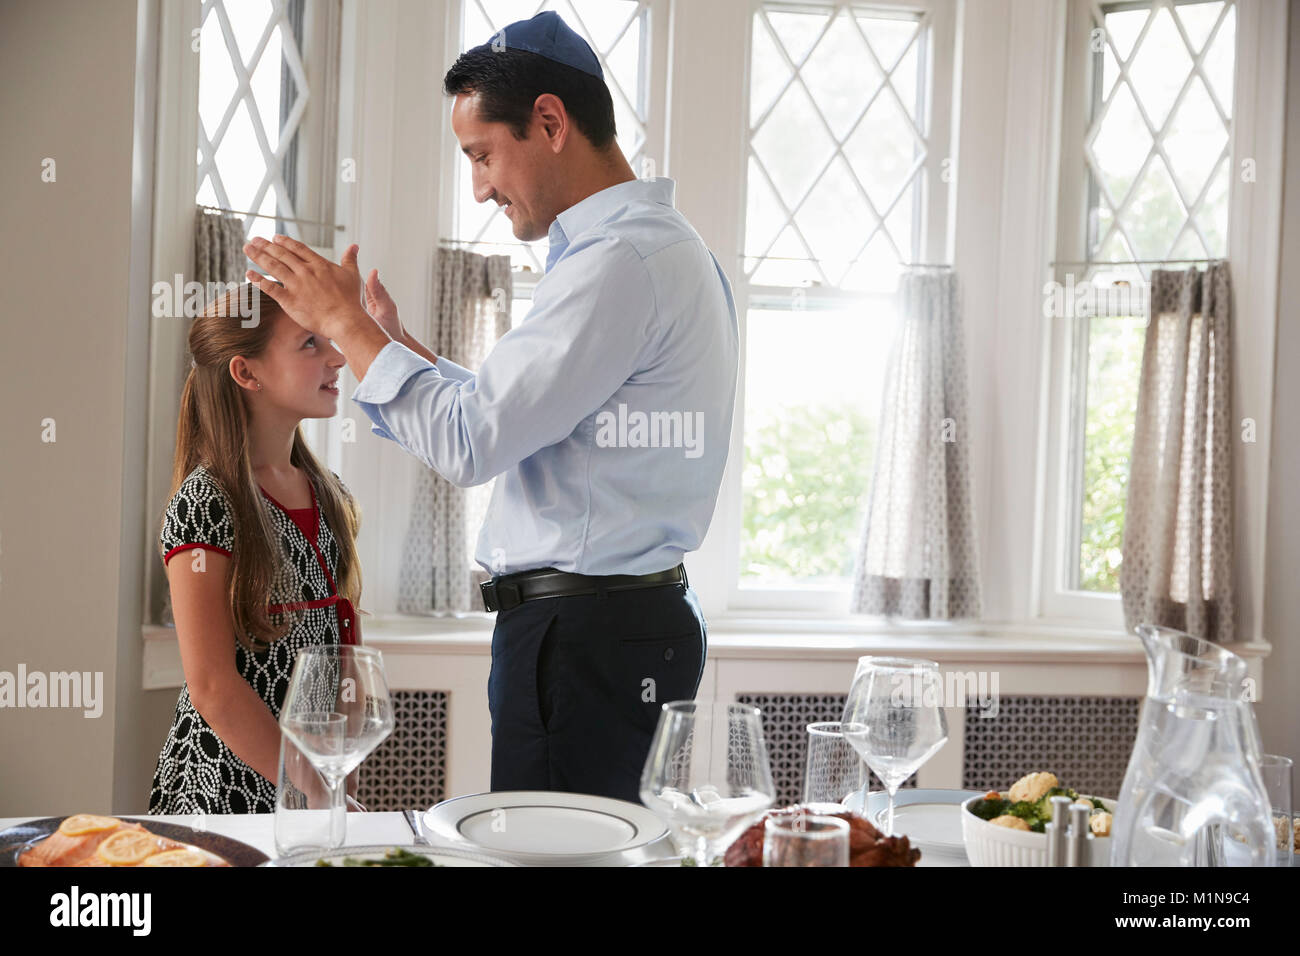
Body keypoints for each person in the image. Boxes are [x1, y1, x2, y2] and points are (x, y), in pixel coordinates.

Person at [240, 11, 739, 804]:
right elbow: (526, 417)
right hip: (619, 628)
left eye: (481, 155)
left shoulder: (616, 264)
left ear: (548, 121)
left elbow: (472, 442)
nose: (478, 188)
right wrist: (389, 347)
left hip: (581, 639)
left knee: (556, 860)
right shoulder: (661, 247)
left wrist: (343, 325)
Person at [148, 284, 368, 814]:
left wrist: (340, 775)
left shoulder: (329, 494)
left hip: (312, 788)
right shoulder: (206, 502)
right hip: (223, 788)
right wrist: (309, 787)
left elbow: (346, 650)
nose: (338, 357)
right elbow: (212, 686)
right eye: (309, 344)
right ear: (247, 373)